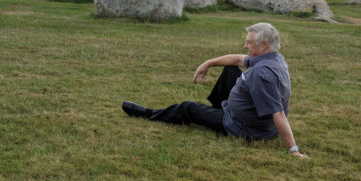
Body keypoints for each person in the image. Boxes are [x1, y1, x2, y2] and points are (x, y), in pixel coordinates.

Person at [121, 22, 307, 159]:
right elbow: (236, 60)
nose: (245, 46)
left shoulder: (262, 74)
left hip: (243, 127)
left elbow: (279, 113)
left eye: (249, 43)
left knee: (188, 108)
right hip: (253, 119)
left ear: (264, 44)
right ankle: (216, 112)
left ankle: (147, 114)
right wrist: (208, 63)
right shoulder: (274, 58)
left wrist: (293, 150)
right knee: (230, 71)